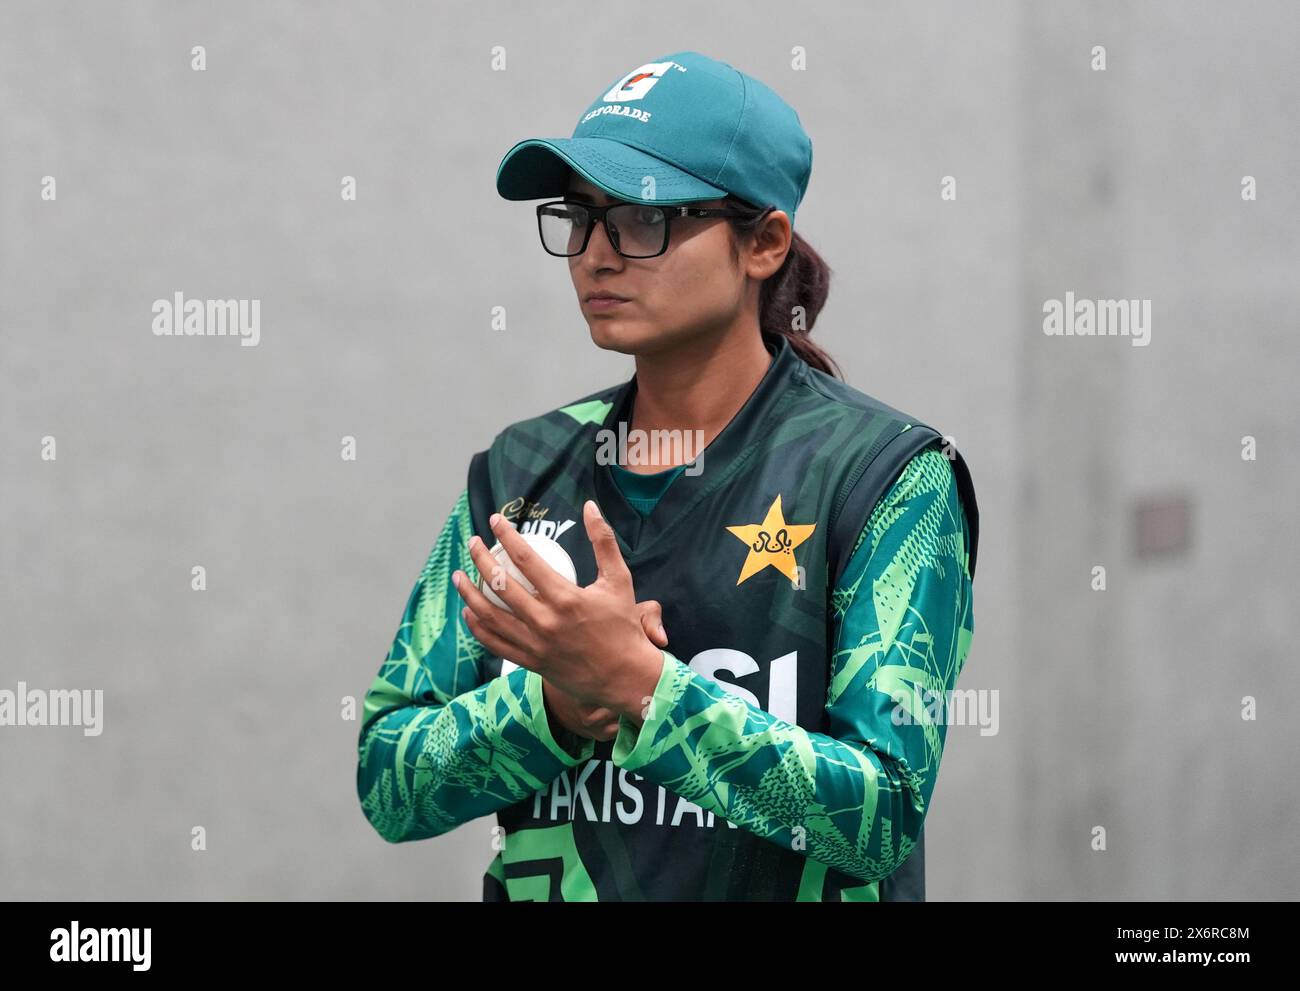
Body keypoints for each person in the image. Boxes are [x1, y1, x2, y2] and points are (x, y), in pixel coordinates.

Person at [355, 51, 979, 901]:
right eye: (580, 217)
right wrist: (557, 709)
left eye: (642, 220)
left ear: (763, 243)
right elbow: (389, 776)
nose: (596, 257)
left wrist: (643, 690)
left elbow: (881, 812)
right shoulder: (521, 468)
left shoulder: (886, 476)